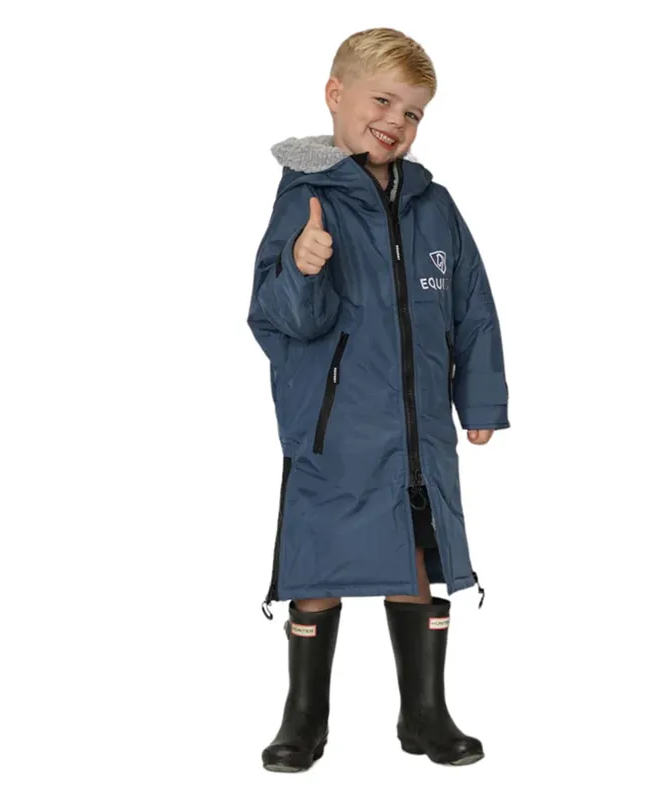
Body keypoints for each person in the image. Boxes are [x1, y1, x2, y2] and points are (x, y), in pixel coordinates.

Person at [247, 27, 509, 771]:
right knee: (318, 567)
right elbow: (278, 318)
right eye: (383, 101)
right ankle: (304, 717)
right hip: (332, 427)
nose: (397, 120)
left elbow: (472, 308)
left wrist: (480, 401)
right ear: (336, 95)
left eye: (413, 111)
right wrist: (302, 268)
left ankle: (425, 713)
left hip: (416, 428)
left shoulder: (435, 205)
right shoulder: (306, 197)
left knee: (416, 556)